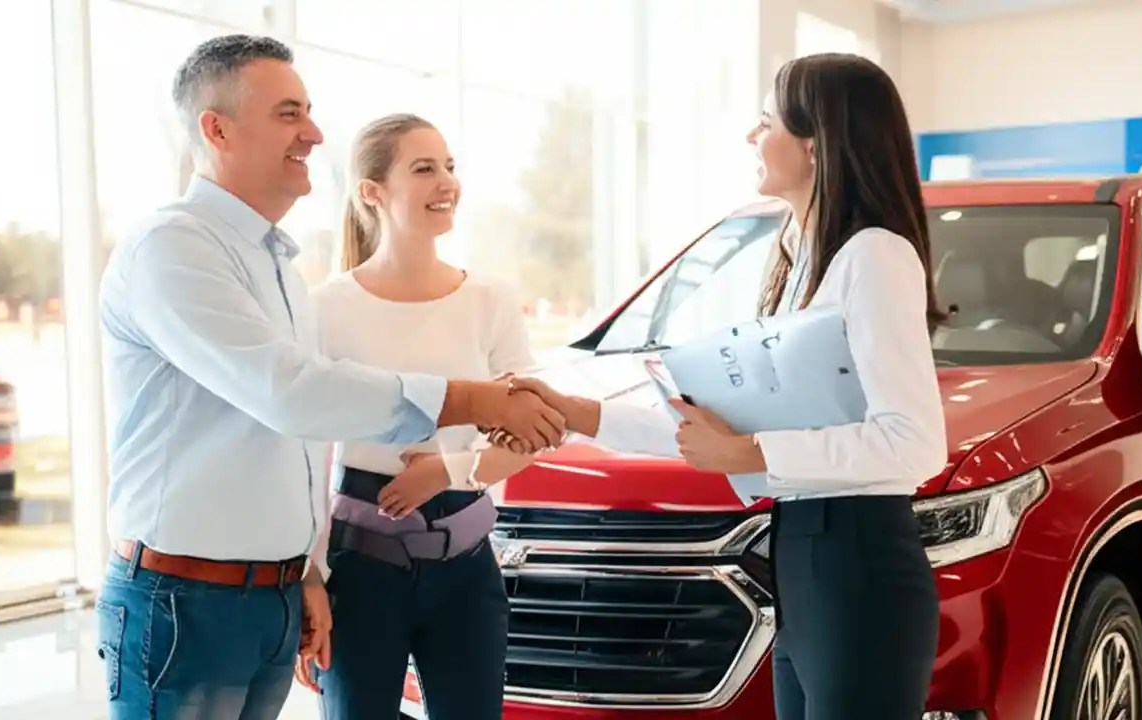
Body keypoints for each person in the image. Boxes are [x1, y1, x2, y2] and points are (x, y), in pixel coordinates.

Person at [96, 35, 563, 720]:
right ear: (216, 129)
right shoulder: (174, 245)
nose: (314, 134)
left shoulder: (277, 264)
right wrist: (468, 399)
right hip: (185, 601)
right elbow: (292, 395)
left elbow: (300, 448)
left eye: (310, 113)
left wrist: (303, 569)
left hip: (272, 594)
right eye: (290, 114)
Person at [503, 53, 948, 719]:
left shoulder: (875, 256)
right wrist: (576, 413)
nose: (751, 136)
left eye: (765, 121)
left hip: (859, 564)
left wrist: (755, 454)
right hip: (805, 558)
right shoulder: (806, 262)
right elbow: (721, 429)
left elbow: (914, 444)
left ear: (814, 143)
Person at [292, 112, 536, 719]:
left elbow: (533, 434)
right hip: (359, 570)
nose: (446, 182)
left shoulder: (492, 300)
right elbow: (302, 454)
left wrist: (447, 469)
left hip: (468, 569)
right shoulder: (324, 308)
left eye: (450, 166)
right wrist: (308, 574)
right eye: (424, 168)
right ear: (373, 191)